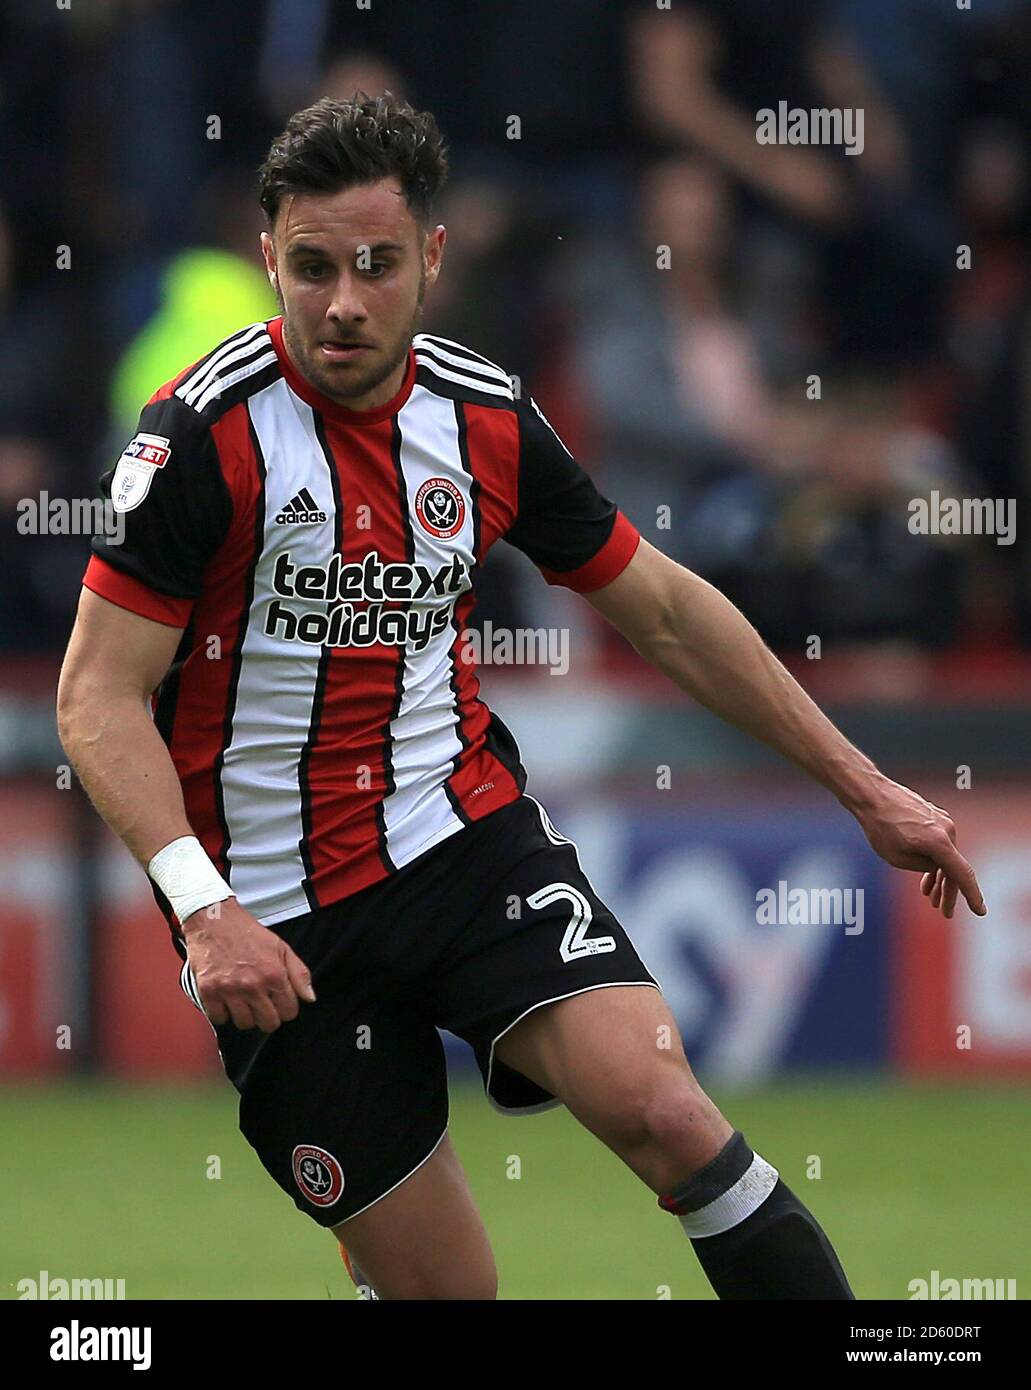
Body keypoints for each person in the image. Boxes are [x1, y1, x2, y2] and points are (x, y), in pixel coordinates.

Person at [57, 96, 985, 1301]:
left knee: (663, 1107)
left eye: (378, 266)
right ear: (266, 257)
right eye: (312, 267)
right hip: (275, 918)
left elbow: (657, 607)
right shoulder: (199, 437)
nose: (343, 302)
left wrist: (864, 790)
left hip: (458, 842)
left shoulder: (482, 415)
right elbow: (94, 698)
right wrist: (203, 909)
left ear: (432, 260)